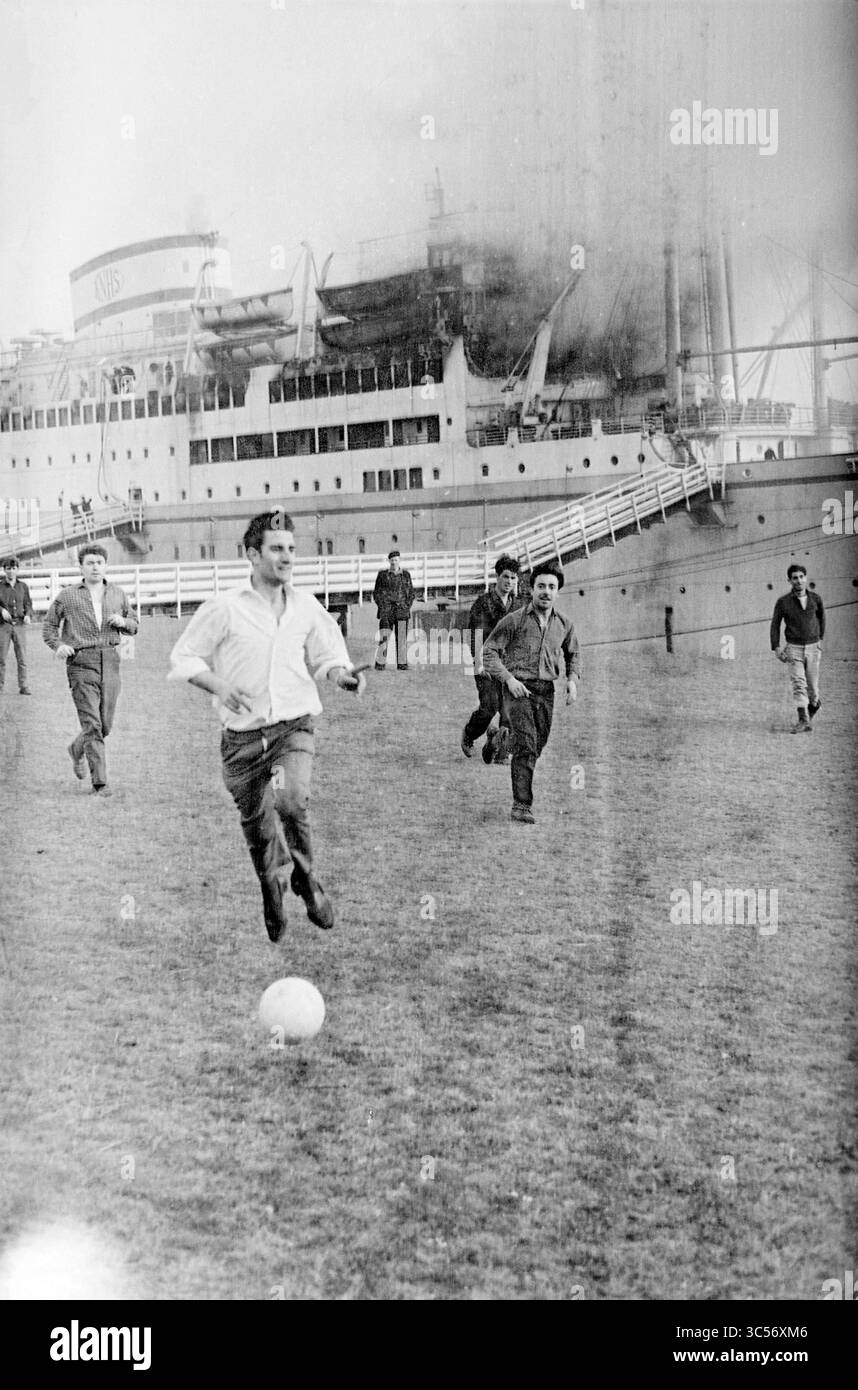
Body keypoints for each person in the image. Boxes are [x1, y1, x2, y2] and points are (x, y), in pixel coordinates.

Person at [167, 510, 366, 943]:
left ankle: (307, 880)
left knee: (292, 801)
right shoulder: (225, 608)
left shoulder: (306, 606)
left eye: (292, 549)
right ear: (252, 554)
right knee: (257, 826)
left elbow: (328, 655)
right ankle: (271, 884)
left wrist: (341, 675)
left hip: (291, 728)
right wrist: (218, 683)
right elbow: (183, 658)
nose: (287, 557)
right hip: (240, 741)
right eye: (277, 549)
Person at [482, 560, 581, 824]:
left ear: (558, 591)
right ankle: (521, 805)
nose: (546, 592)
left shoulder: (565, 625)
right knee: (526, 745)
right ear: (531, 588)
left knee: (538, 744)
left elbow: (574, 654)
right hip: (517, 689)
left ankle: (499, 741)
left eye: (551, 586)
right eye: (541, 586)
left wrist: (572, 680)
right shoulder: (514, 620)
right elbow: (489, 652)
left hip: (545, 690)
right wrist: (509, 679)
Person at [42, 543, 138, 795]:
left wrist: (123, 622)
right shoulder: (68, 595)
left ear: (106, 565)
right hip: (81, 663)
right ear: (81, 567)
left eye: (99, 562)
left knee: (105, 725)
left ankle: (76, 748)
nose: (95, 567)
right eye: (90, 562)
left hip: (111, 660)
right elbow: (49, 627)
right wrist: (58, 646)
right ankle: (100, 782)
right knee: (92, 724)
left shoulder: (118, 593)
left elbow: (134, 624)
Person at [460, 554, 521, 763]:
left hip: (508, 666)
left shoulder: (518, 606)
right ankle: (470, 733)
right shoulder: (483, 604)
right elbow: (475, 635)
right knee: (489, 706)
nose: (509, 582)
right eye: (505, 577)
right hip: (485, 663)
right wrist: (478, 664)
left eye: (513, 578)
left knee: (509, 708)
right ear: (497, 577)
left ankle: (501, 750)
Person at [770, 563, 825, 733]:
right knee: (798, 684)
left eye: (801, 577)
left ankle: (814, 705)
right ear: (789, 580)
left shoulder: (816, 599)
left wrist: (820, 639)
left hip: (813, 648)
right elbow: (775, 625)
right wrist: (777, 648)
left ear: (806, 578)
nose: (799, 581)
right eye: (795, 578)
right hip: (793, 648)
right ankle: (803, 720)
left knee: (813, 689)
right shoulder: (783, 602)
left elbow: (822, 619)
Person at [373, 550, 414, 670]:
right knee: (384, 637)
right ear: (389, 561)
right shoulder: (382, 575)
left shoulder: (406, 575)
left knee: (401, 638)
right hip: (387, 611)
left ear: (399, 560)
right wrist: (382, 606)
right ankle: (380, 664)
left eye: (396, 560)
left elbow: (411, 593)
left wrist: (406, 606)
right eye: (392, 560)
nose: (394, 562)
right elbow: (376, 593)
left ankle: (402, 664)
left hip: (401, 610)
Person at [0, 557, 34, 695]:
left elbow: (28, 604)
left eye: (14, 568)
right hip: (3, 626)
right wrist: (1, 610)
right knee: (1, 658)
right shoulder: (0, 586)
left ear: (17, 569)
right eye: (8, 568)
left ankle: (24, 685)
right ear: (4, 570)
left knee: (22, 657)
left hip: (19, 625)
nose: (11, 571)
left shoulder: (23, 586)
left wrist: (28, 615)